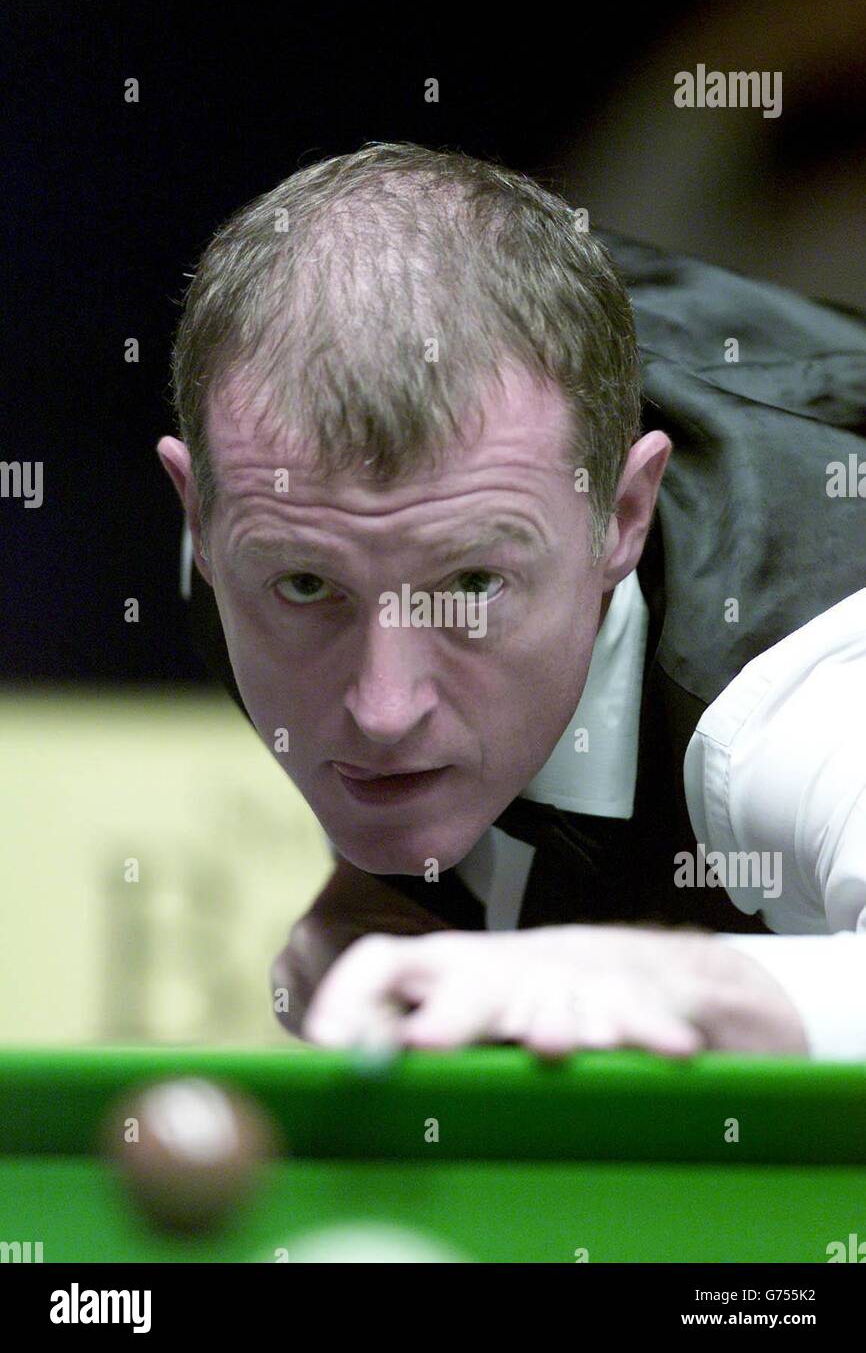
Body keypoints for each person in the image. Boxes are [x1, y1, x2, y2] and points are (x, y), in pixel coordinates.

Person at [158, 141, 866, 1060]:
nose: (381, 711)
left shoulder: (805, 683)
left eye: (472, 585)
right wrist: (404, 891)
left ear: (622, 516)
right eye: (310, 587)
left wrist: (634, 972)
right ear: (200, 517)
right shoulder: (268, 511)